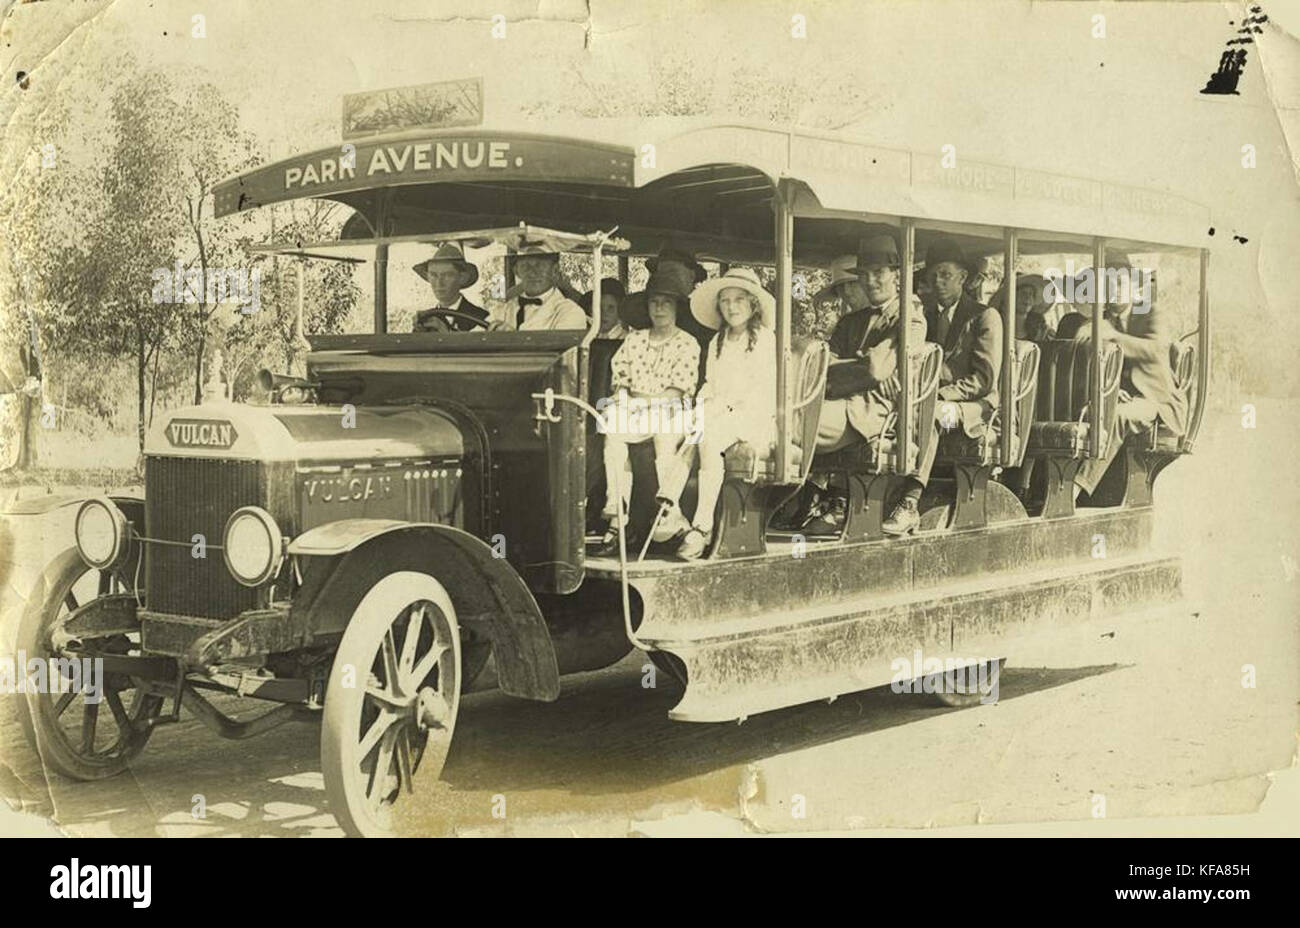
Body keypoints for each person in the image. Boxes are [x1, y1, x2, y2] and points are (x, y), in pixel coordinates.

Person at [791, 236, 927, 534]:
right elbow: (819, 370)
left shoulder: (909, 319)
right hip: (841, 404)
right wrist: (857, 367)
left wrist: (849, 369)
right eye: (864, 274)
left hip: (870, 414)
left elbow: (876, 370)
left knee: (790, 425)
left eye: (879, 272)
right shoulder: (850, 322)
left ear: (896, 275)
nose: (871, 280)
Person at [882, 236, 1003, 535]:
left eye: (946, 275)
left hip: (976, 409)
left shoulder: (984, 317)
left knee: (933, 414)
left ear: (963, 277)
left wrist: (936, 395)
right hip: (932, 398)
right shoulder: (925, 317)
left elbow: (984, 379)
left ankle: (910, 502)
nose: (938, 281)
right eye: (933, 275)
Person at [673, 267, 778, 560]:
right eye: (725, 301)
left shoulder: (765, 340)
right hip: (719, 412)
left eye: (739, 299)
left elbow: (758, 392)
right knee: (677, 428)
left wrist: (717, 410)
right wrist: (700, 408)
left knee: (709, 435)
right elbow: (709, 384)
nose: (732, 307)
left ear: (753, 304)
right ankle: (670, 515)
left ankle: (702, 527)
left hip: (754, 417)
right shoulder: (716, 341)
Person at [594, 271, 700, 556]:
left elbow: (678, 390)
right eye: (654, 302)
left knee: (664, 438)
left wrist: (645, 403)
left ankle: (670, 517)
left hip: (671, 409)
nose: (660, 308)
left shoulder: (688, 343)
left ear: (677, 308)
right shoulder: (635, 340)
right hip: (636, 408)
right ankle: (617, 511)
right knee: (612, 429)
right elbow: (621, 379)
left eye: (666, 303)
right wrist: (626, 399)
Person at [1072, 260, 1188, 495]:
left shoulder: (1150, 312)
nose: (1113, 288)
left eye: (1120, 282)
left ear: (1134, 287)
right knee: (1075, 410)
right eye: (1108, 283)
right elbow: (1085, 352)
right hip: (1117, 395)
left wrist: (1112, 336)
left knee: (1116, 417)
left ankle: (1076, 491)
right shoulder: (1099, 320)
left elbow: (1155, 349)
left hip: (1155, 399)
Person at [489, 242, 588, 331]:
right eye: (525, 266)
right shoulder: (501, 310)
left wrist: (512, 339)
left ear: (555, 270)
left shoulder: (570, 312)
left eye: (540, 266)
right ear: (516, 271)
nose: (532, 273)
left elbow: (557, 350)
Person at [411, 243, 489, 331]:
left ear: (462, 278)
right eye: (434, 275)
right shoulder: (426, 320)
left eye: (447, 275)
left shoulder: (480, 317)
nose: (439, 283)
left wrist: (445, 331)